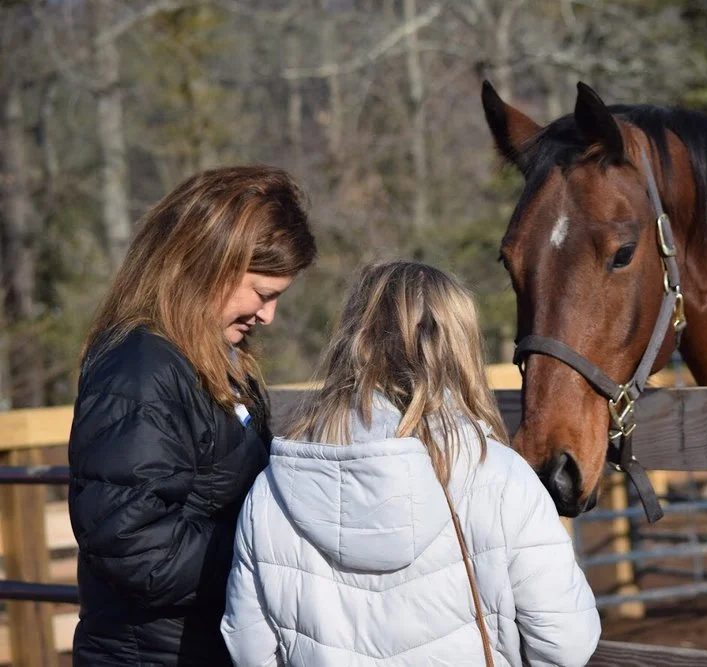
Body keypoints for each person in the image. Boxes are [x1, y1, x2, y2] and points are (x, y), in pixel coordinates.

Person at [221, 260, 601, 666]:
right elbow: (567, 643)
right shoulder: (501, 477)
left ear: (351, 341)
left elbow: (249, 649)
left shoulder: (275, 489)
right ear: (459, 348)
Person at [68, 165, 317, 666]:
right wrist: (267, 555)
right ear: (208, 263)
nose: (267, 316)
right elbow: (132, 544)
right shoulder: (140, 368)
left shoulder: (209, 357)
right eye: (262, 293)